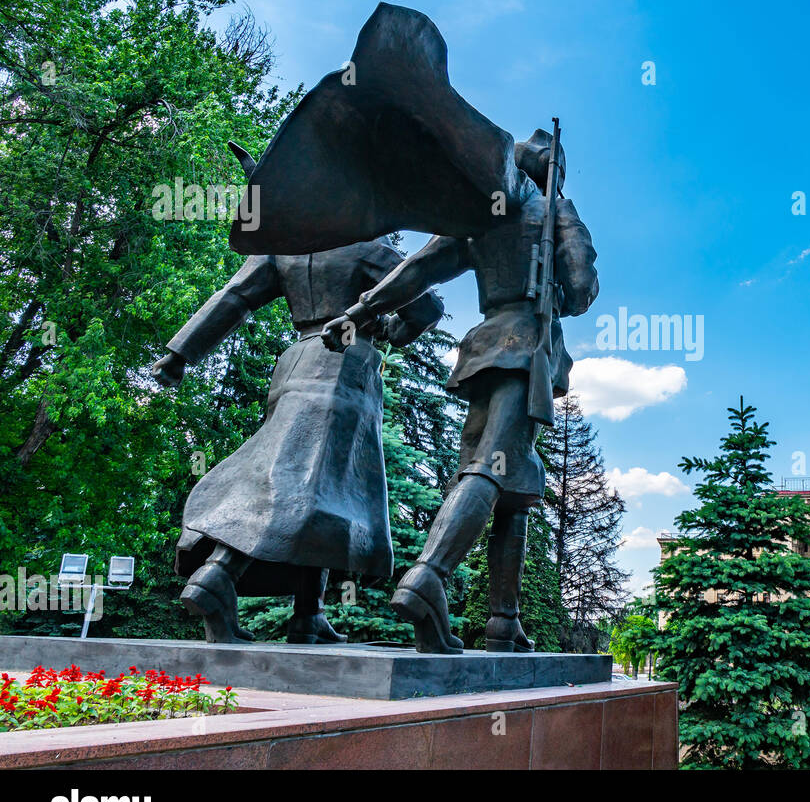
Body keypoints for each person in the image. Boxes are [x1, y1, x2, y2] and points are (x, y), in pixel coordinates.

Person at [323, 128, 598, 654]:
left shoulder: (479, 213)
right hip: (528, 346)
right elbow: (582, 289)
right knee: (493, 466)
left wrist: (360, 311)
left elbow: (418, 270)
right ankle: (427, 577)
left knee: (514, 482)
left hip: (486, 346)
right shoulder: (554, 210)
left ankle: (503, 621)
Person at [153, 147, 443, 644]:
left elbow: (232, 299)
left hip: (295, 362)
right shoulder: (370, 250)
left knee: (317, 488)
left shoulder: (284, 250)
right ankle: (218, 573)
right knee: (306, 484)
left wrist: (181, 354)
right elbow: (427, 306)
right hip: (349, 366)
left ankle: (309, 613)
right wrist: (392, 328)